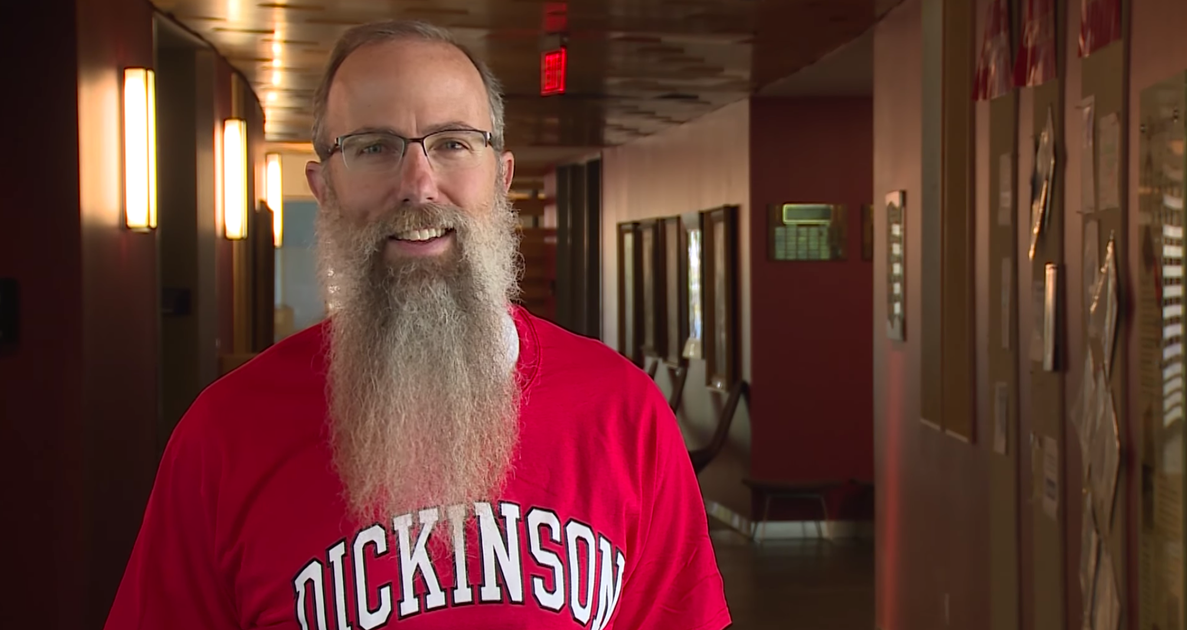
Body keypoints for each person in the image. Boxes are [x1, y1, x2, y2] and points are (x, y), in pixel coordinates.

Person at [103, 18, 730, 630]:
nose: (419, 184)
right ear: (324, 188)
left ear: (501, 177)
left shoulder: (623, 412)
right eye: (373, 147)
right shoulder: (222, 435)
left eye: (453, 143)